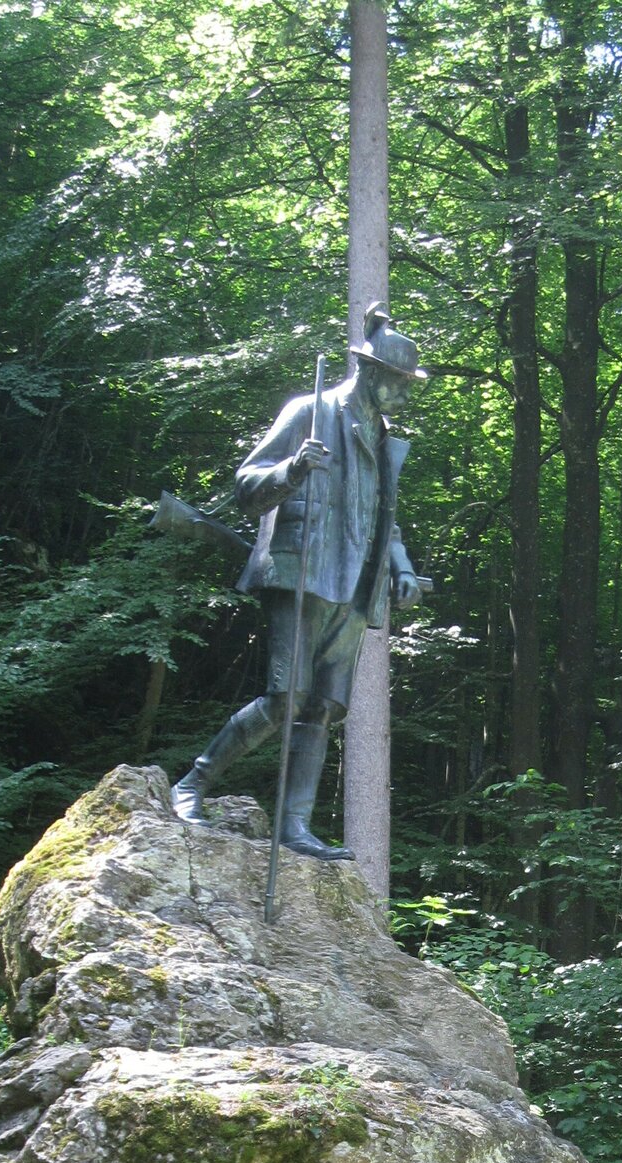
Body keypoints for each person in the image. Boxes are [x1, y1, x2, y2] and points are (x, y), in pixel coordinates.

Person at [169, 305, 426, 859]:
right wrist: (292, 470)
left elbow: (386, 518)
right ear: (371, 372)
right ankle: (192, 783)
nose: (406, 395)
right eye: (401, 383)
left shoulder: (384, 439)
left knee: (324, 707)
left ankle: (295, 826)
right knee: (286, 696)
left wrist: (402, 568)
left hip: (357, 585)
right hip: (304, 571)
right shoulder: (309, 412)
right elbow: (247, 485)